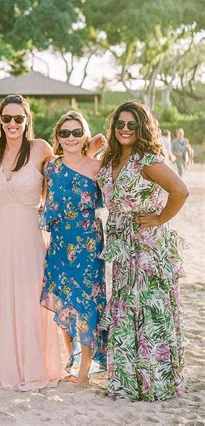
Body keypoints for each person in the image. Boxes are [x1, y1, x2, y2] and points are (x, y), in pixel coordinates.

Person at [97, 100, 189, 401]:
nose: (125, 129)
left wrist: (160, 218)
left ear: (142, 128)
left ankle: (155, 382)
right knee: (126, 307)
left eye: (132, 125)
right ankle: (128, 381)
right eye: (120, 124)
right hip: (121, 245)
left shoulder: (146, 159)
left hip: (147, 244)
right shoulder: (110, 158)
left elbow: (180, 190)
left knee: (149, 308)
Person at [0, 94, 62, 391]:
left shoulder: (40, 148)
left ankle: (30, 366)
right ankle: (1, 365)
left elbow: (61, 178)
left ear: (27, 120)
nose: (13, 123)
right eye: (7, 118)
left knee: (28, 298)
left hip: (28, 235)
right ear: (0, 121)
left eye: (18, 118)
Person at [40, 111, 107, 387]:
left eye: (77, 132)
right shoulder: (50, 167)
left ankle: (85, 368)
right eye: (65, 133)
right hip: (59, 243)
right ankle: (71, 360)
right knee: (65, 301)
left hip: (88, 244)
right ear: (57, 137)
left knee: (86, 303)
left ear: (85, 135)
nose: (71, 138)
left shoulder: (98, 167)